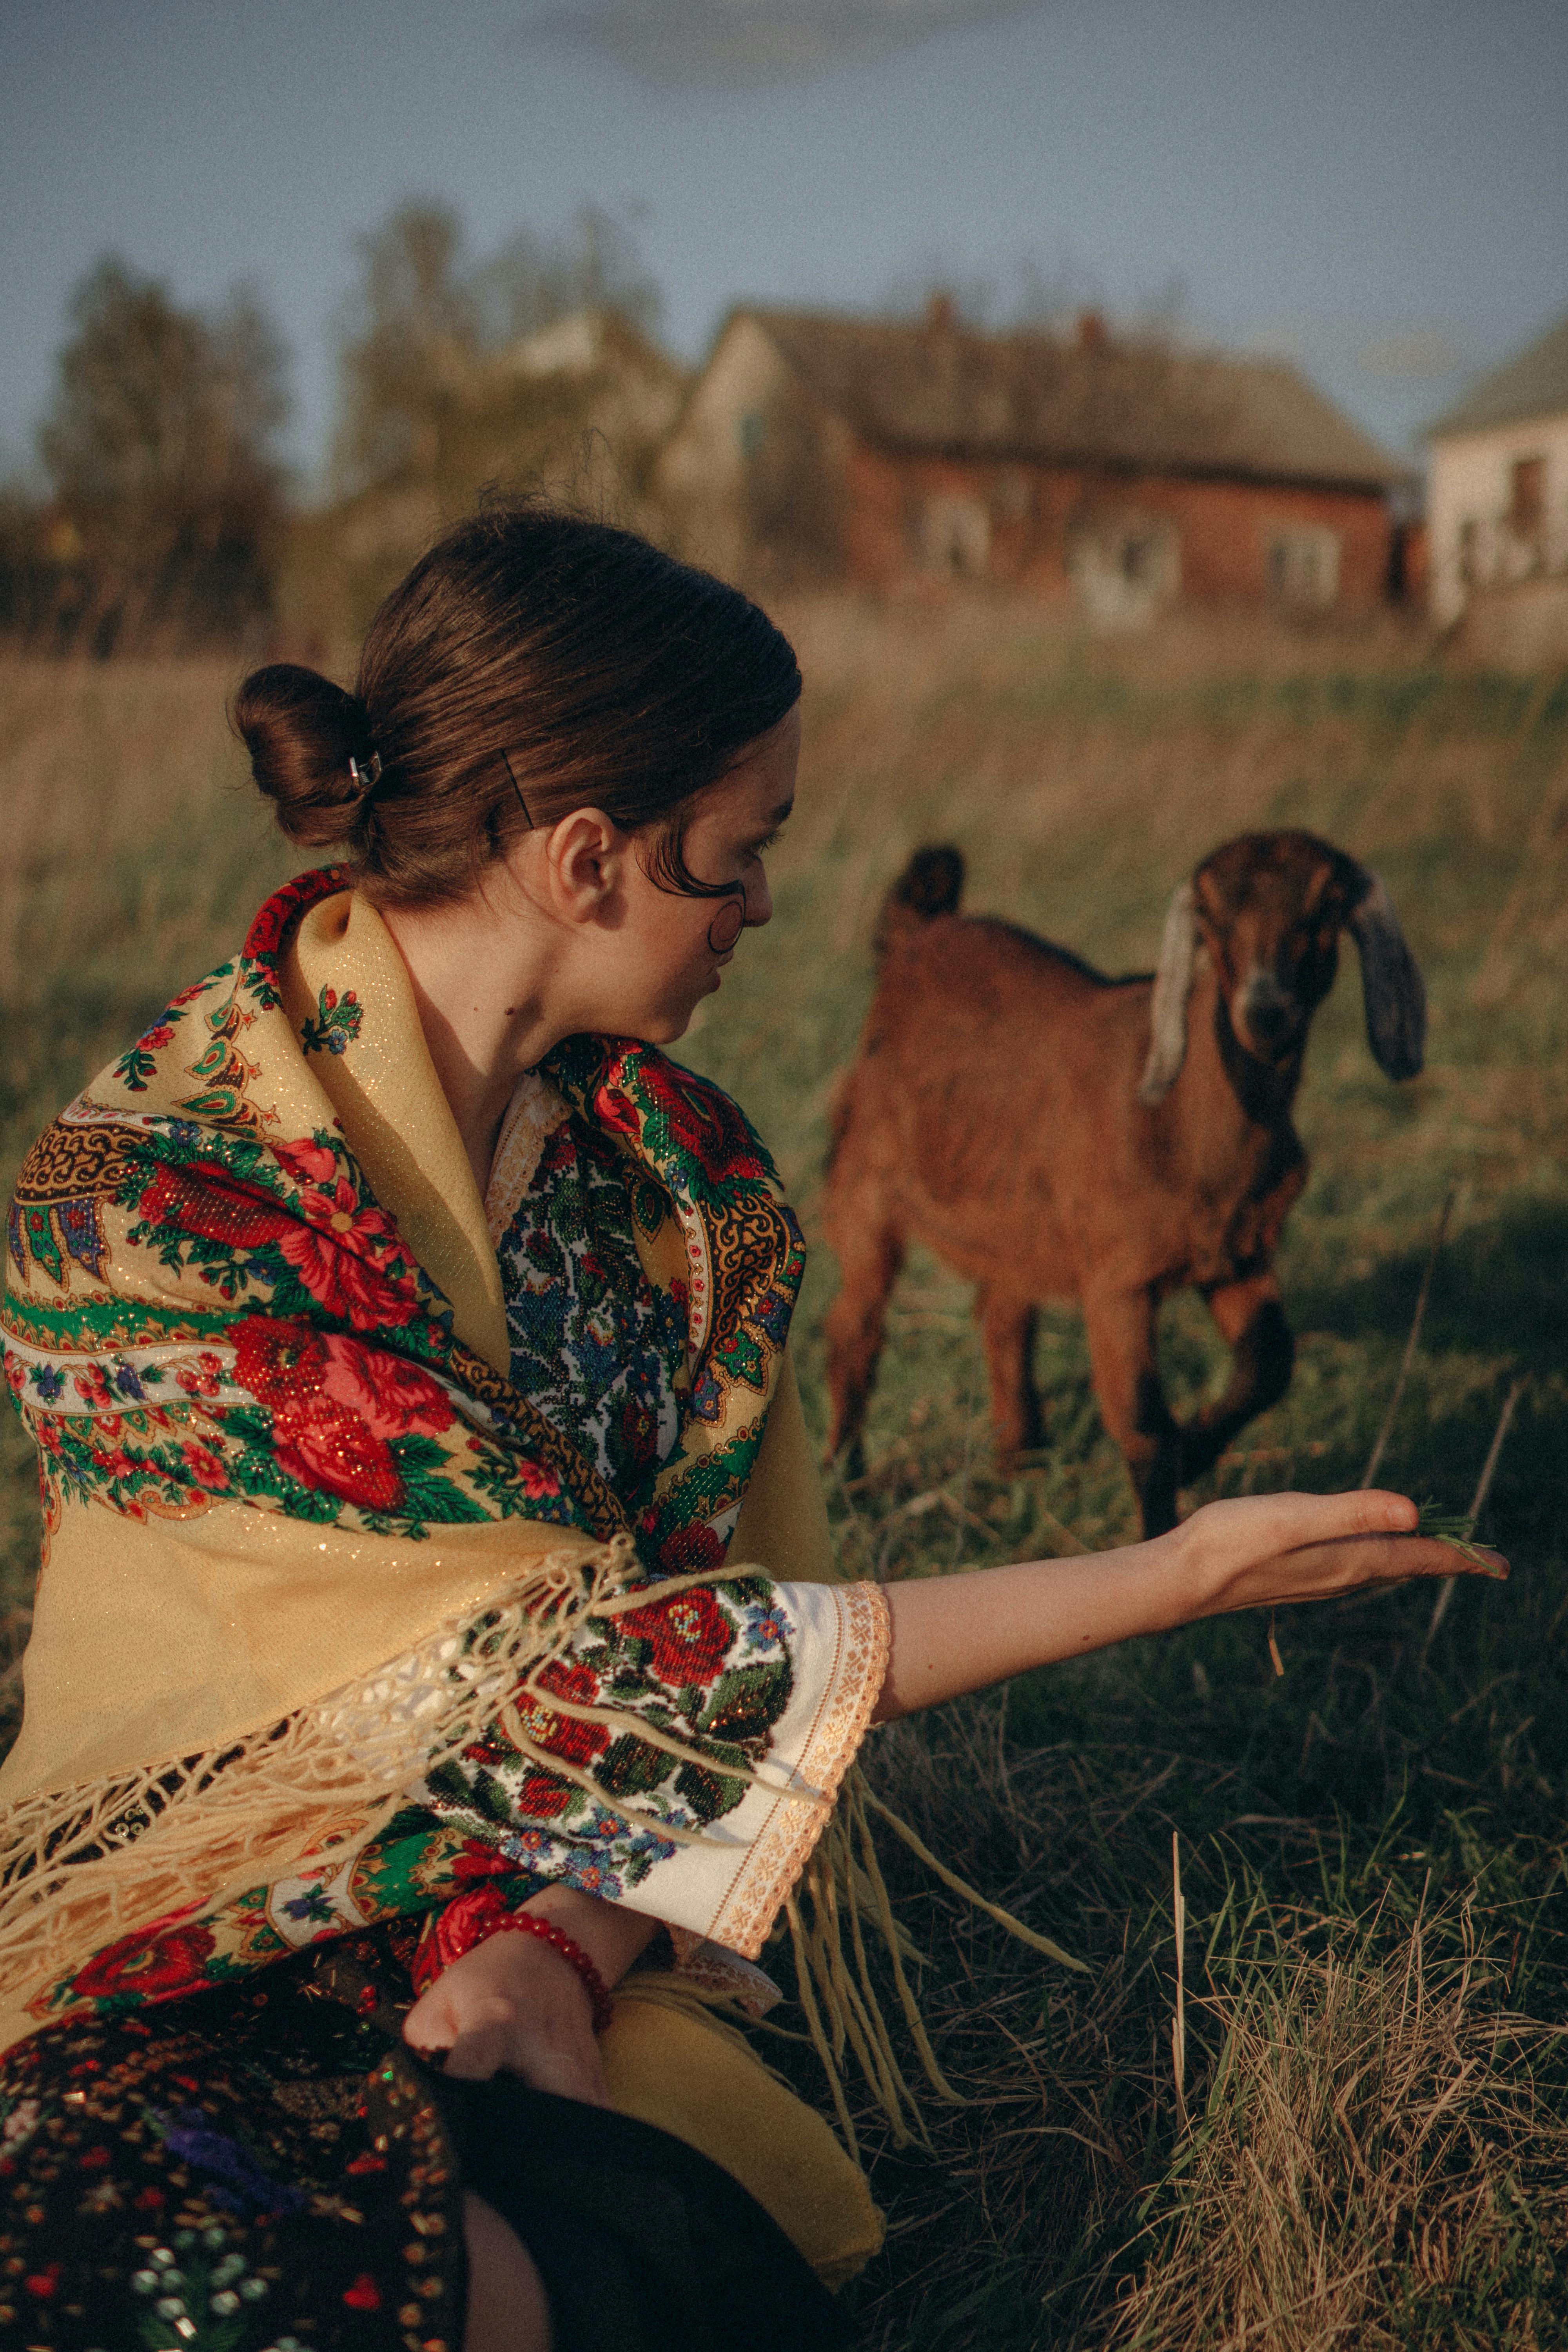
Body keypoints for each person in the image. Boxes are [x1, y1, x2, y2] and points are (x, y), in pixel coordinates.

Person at [0, 503, 1495, 2352]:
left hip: (556, 1935)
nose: (773, 905)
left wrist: (559, 1945)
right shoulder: (147, 1202)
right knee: (174, 2266)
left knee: (515, 2258)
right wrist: (1164, 1574)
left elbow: (740, 1642)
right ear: (583, 858)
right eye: (743, 853)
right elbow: (618, 1668)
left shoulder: (695, 1198)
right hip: (192, 1950)